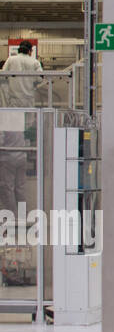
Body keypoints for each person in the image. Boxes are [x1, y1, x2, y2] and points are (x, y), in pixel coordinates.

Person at [0, 42, 41, 228]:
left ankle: (12, 217)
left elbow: (4, 77)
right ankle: (23, 216)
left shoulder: (11, 60)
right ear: (30, 50)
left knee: (7, 187)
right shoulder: (33, 62)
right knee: (21, 187)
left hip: (14, 103)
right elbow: (41, 79)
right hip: (28, 106)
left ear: (18, 50)